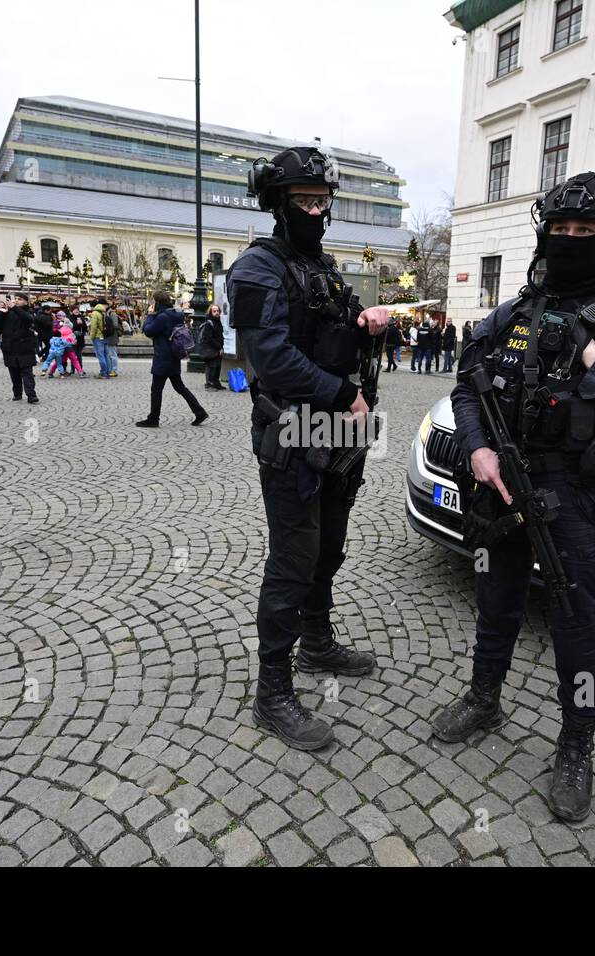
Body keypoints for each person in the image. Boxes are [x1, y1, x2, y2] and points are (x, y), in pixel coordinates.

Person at [436, 171, 595, 822]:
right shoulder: (517, 309)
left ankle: (577, 743)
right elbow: (469, 383)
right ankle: (484, 698)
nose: (571, 239)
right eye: (561, 228)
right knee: (495, 605)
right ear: (545, 233)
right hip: (500, 484)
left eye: (586, 230)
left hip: (571, 497)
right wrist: (478, 448)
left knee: (579, 626)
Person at [226, 144, 391, 750]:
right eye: (304, 201)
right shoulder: (256, 268)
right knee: (293, 559)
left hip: (340, 433)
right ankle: (272, 692)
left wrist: (364, 323)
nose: (316, 210)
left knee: (330, 547)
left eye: (322, 201)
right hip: (292, 433)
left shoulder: (324, 265)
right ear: (278, 202)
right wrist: (340, 392)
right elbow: (269, 355)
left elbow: (325, 331)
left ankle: (317, 642)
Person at [136, 291, 208, 427]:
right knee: (180, 387)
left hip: (163, 357)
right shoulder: (174, 314)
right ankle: (199, 412)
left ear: (157, 302)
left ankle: (153, 419)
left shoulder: (162, 317)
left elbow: (148, 331)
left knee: (156, 389)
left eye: (153, 301)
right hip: (173, 355)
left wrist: (150, 316)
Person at [0, 291, 40, 404]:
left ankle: (31, 395)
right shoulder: (6, 313)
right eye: (15, 298)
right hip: (10, 347)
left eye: (19, 299)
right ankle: (17, 393)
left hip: (25, 347)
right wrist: (0, 312)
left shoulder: (28, 312)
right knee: (14, 373)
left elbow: (28, 319)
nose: (16, 300)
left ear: (26, 302)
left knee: (27, 373)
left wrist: (15, 308)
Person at [199, 303, 225, 389]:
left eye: (217, 311)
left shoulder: (218, 322)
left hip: (217, 348)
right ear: (211, 312)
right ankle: (209, 384)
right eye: (214, 311)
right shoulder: (209, 323)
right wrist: (219, 347)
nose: (216, 313)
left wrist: (221, 347)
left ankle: (216, 383)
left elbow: (220, 336)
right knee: (212, 366)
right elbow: (209, 338)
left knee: (217, 366)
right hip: (211, 349)